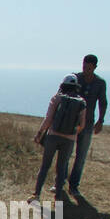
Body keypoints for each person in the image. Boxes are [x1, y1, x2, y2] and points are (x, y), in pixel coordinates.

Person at [30, 74, 87, 203]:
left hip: (53, 136)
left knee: (45, 166)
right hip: (69, 140)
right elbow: (82, 125)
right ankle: (58, 198)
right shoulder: (81, 102)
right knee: (61, 168)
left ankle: (36, 194)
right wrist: (72, 133)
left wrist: (39, 133)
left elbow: (48, 119)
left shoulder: (57, 98)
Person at [66, 54, 107, 198]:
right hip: (71, 122)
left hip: (88, 124)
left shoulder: (100, 83)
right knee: (65, 153)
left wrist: (101, 121)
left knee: (81, 156)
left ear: (95, 67)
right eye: (84, 66)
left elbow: (103, 102)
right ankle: (59, 182)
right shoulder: (75, 78)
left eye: (89, 67)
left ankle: (74, 186)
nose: (86, 70)